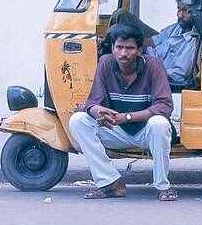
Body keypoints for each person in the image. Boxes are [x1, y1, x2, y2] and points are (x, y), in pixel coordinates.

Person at [69, 22, 178, 201]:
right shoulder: (105, 63)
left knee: (159, 124)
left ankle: (163, 186)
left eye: (130, 48)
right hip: (117, 131)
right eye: (119, 47)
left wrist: (126, 117)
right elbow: (93, 103)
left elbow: (164, 107)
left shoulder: (154, 66)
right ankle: (110, 183)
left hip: (146, 133)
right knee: (78, 120)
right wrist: (99, 112)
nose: (124, 54)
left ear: (140, 50)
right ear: (112, 48)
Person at [147, 0, 202, 89]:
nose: (180, 15)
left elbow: (177, 74)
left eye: (186, 10)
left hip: (158, 80)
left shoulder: (193, 42)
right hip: (149, 60)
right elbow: (153, 41)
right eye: (179, 9)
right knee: (122, 16)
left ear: (196, 13)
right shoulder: (176, 28)